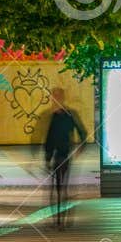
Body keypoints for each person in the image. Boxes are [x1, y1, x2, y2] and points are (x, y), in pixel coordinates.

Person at [41, 88, 87, 227]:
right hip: (54, 155)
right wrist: (47, 158)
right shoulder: (51, 116)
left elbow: (82, 133)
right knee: (56, 188)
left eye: (57, 96)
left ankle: (60, 218)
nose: (55, 99)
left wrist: (80, 147)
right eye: (54, 97)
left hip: (64, 154)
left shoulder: (69, 115)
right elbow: (48, 139)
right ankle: (58, 219)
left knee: (60, 187)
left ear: (61, 98)